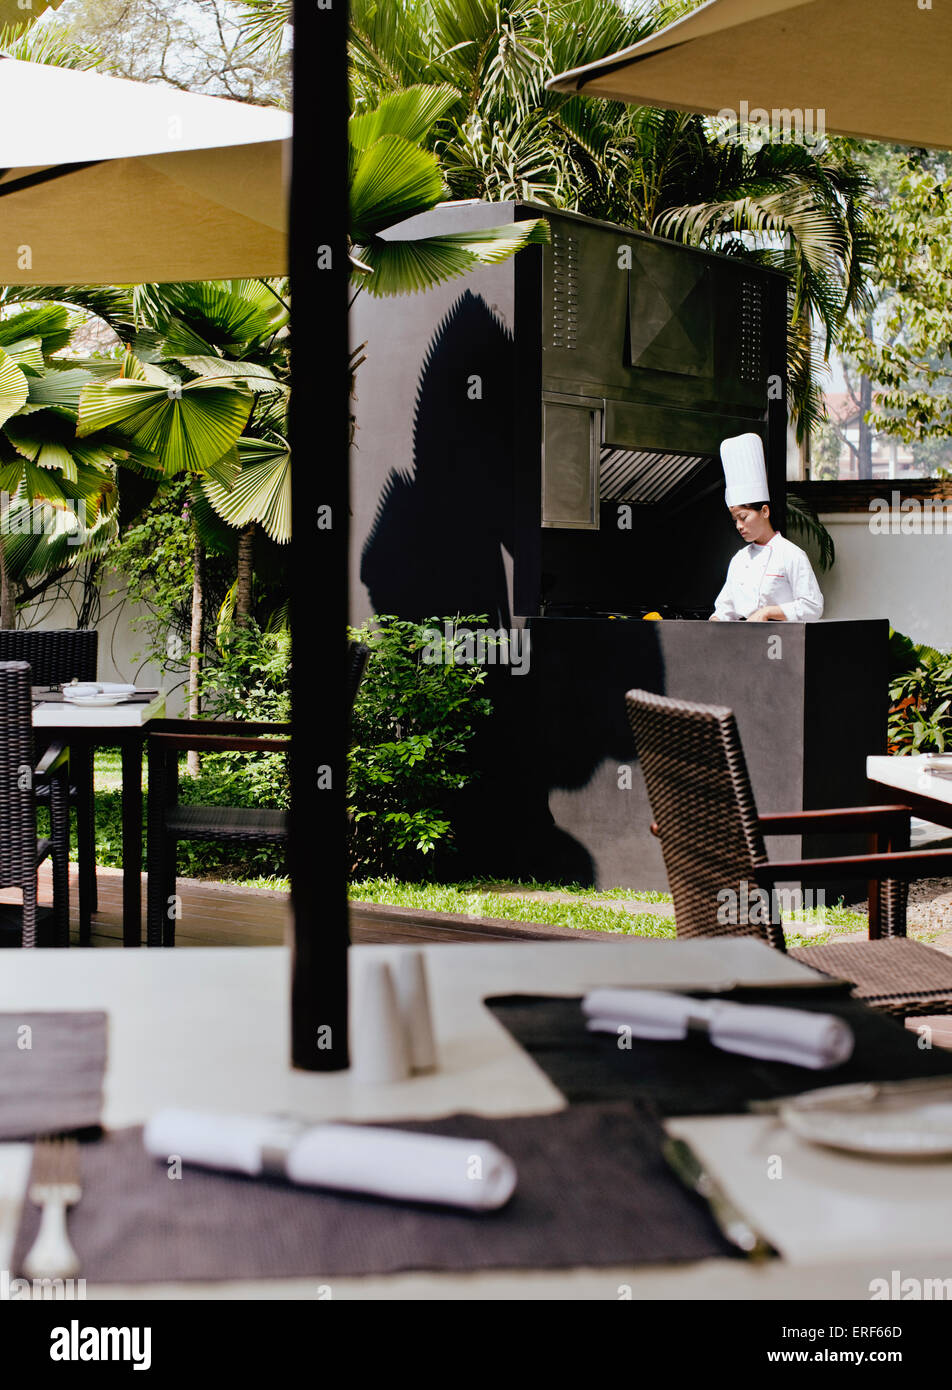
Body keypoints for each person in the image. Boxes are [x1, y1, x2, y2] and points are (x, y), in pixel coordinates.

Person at [709, 433, 823, 622]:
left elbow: (812, 606)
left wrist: (768, 612)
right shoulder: (739, 560)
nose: (739, 526)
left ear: (764, 511)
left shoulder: (791, 555)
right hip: (742, 643)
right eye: (735, 520)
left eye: (743, 517)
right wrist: (712, 623)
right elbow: (725, 608)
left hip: (782, 643)